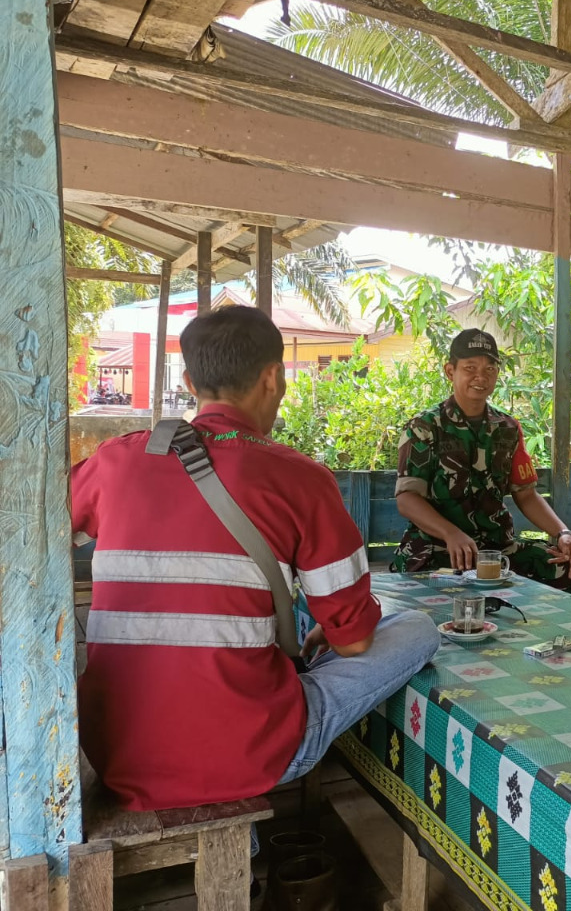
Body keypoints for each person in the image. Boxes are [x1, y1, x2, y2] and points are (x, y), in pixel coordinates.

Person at [72, 306, 438, 811]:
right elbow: (354, 641)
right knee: (418, 628)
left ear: (189, 381)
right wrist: (332, 630)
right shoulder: (301, 478)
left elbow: (36, 534)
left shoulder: (114, 461)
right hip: (248, 753)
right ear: (273, 378)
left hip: (116, 753)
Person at [391, 328, 571, 596]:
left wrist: (563, 533)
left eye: (489, 369)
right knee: (449, 592)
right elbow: (407, 498)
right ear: (450, 371)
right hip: (436, 548)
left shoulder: (507, 428)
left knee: (565, 570)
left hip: (496, 549)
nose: (480, 377)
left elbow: (526, 495)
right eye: (470, 368)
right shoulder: (424, 427)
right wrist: (451, 534)